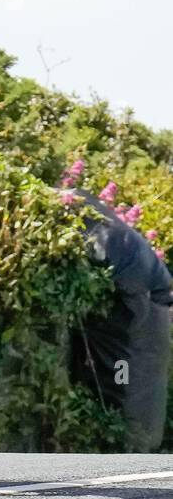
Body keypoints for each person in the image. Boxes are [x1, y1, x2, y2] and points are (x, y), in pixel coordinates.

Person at [69, 189, 172, 451]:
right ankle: (127, 437)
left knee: (123, 372)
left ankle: (128, 440)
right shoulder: (121, 243)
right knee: (125, 371)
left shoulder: (124, 258)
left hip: (137, 312)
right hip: (142, 303)